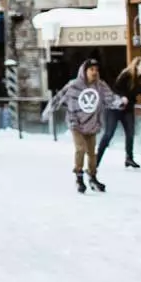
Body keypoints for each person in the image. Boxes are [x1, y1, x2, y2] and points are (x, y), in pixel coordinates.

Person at [43, 59, 125, 193]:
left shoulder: (100, 86)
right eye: (91, 70)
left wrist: (120, 102)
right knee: (80, 148)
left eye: (96, 70)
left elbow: (109, 98)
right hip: (76, 123)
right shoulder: (74, 86)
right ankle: (79, 176)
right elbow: (59, 98)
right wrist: (48, 112)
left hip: (92, 124)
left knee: (92, 154)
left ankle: (92, 176)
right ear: (84, 71)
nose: (94, 72)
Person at [96, 56, 141, 170]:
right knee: (109, 134)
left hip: (128, 108)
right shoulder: (126, 75)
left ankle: (129, 158)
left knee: (130, 133)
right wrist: (122, 97)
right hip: (114, 108)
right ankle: (96, 159)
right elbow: (115, 89)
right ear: (136, 65)